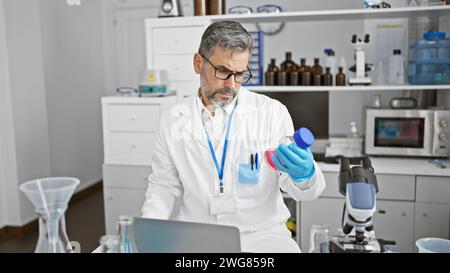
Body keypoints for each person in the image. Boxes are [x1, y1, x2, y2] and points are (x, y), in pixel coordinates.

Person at [142, 21, 326, 253]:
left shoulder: (271, 112)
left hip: (263, 236)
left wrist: (305, 175)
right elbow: (163, 185)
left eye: (240, 74)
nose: (231, 84)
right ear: (198, 63)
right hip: (197, 235)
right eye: (223, 71)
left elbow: (301, 189)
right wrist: (146, 232)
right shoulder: (172, 119)